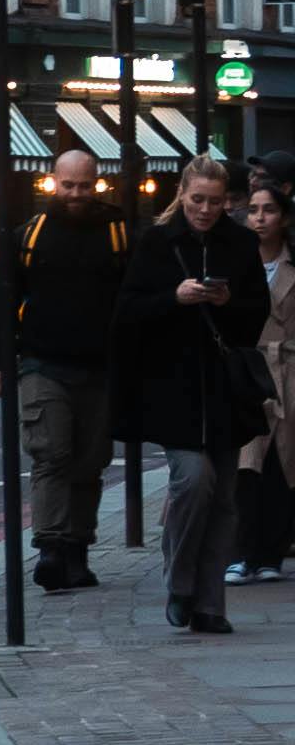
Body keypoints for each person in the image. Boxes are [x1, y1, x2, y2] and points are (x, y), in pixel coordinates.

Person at [110, 154, 269, 634]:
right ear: (182, 194)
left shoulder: (240, 243)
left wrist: (227, 302)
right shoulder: (156, 243)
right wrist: (172, 299)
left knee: (223, 499)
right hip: (172, 387)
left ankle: (209, 606)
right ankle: (180, 583)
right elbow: (126, 314)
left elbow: (255, 315)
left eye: (215, 202)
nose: (205, 209)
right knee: (193, 480)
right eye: (197, 199)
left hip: (224, 390)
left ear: (227, 203)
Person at [0, 146, 127, 592]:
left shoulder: (120, 233)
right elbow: (4, 303)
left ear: (97, 182)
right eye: (68, 185)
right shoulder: (29, 235)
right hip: (42, 364)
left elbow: (134, 302)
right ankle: (49, 548)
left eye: (85, 185)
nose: (76, 194)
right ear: (52, 182)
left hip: (102, 368)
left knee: (90, 464)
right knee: (50, 455)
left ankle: (77, 551)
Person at [232, 170, 295, 583]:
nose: (259, 218)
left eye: (269, 210)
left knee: (281, 464)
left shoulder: (293, 262)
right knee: (243, 463)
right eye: (253, 210)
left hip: (289, 372)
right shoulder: (233, 262)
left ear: (283, 218)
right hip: (247, 370)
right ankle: (241, 552)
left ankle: (271, 553)